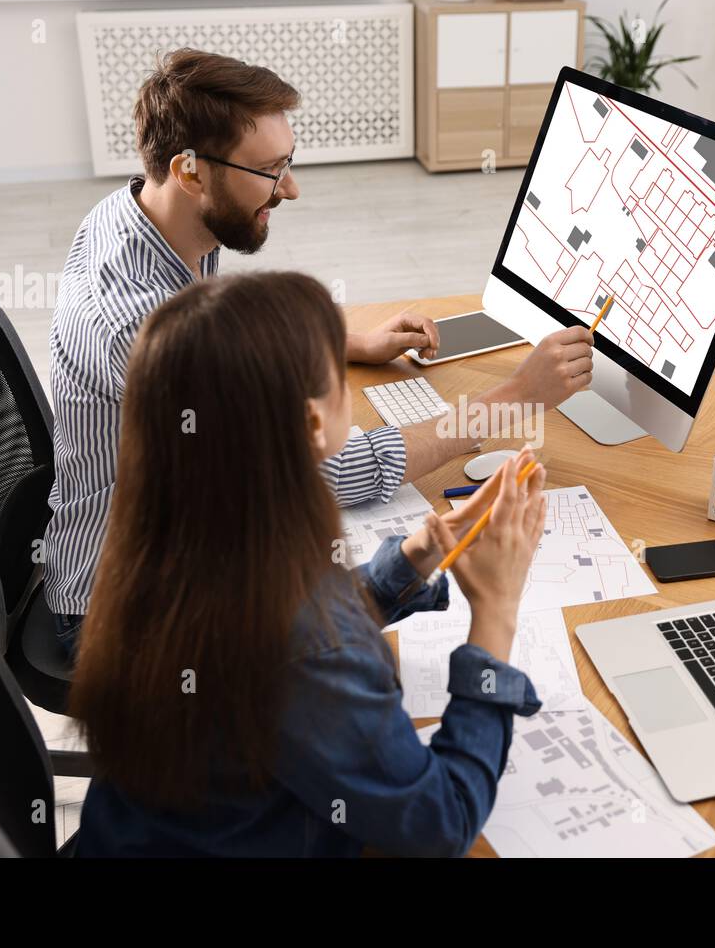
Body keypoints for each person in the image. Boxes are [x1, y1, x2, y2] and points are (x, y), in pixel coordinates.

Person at [45, 47, 593, 653]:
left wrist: (348, 339)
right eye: (271, 170)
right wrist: (513, 399)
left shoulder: (144, 217)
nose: (292, 189)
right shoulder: (142, 329)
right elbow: (336, 471)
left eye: (289, 162)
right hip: (124, 616)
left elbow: (225, 322)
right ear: (190, 171)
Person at [70, 270, 545, 856]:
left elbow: (295, 627)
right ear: (315, 424)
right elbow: (440, 823)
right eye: (340, 378)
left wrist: (412, 559)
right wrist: (495, 613)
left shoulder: (168, 538)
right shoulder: (308, 649)